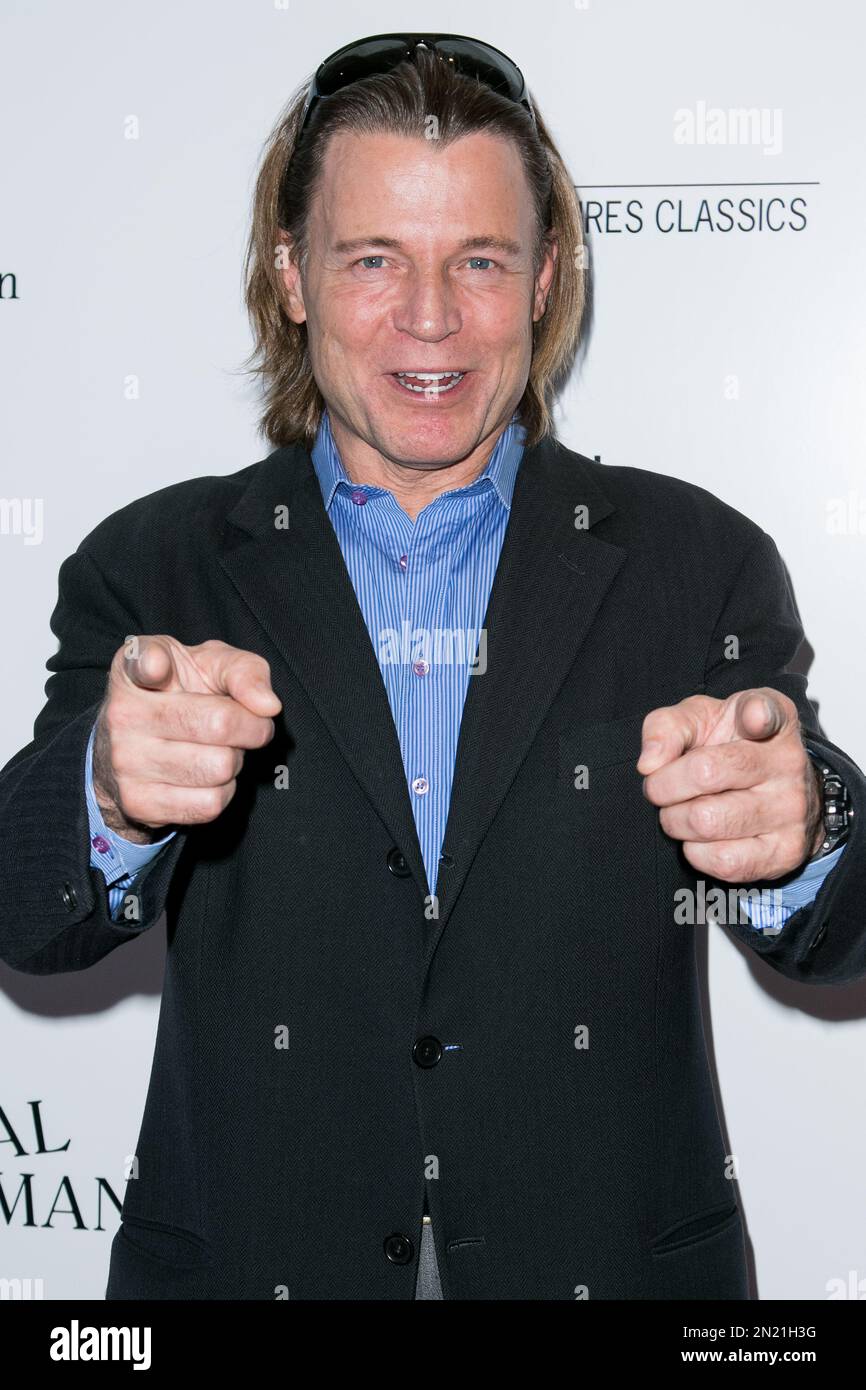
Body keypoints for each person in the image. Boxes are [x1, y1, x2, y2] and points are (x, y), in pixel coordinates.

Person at [0, 33, 861, 1301]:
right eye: (371, 260)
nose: (429, 318)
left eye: (478, 260)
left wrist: (807, 828)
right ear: (290, 275)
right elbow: (30, 912)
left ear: (543, 278)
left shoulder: (698, 559)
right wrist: (108, 794)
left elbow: (837, 937)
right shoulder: (155, 565)